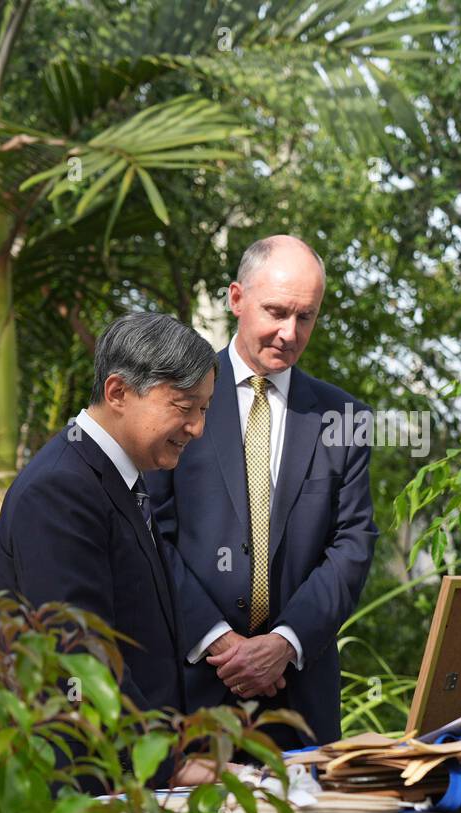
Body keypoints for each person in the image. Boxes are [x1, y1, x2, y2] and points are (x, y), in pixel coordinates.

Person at [147, 236, 379, 748]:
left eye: (306, 317)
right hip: (190, 692)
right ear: (236, 298)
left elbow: (353, 542)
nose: (289, 333)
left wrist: (284, 642)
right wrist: (220, 642)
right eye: (276, 311)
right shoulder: (170, 401)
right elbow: (149, 534)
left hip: (300, 700)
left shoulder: (345, 418)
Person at [0, 311, 218, 787]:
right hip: (89, 791)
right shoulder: (60, 489)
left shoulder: (124, 481)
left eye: (205, 409)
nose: (197, 427)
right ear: (118, 393)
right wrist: (167, 765)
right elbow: (77, 655)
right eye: (184, 406)